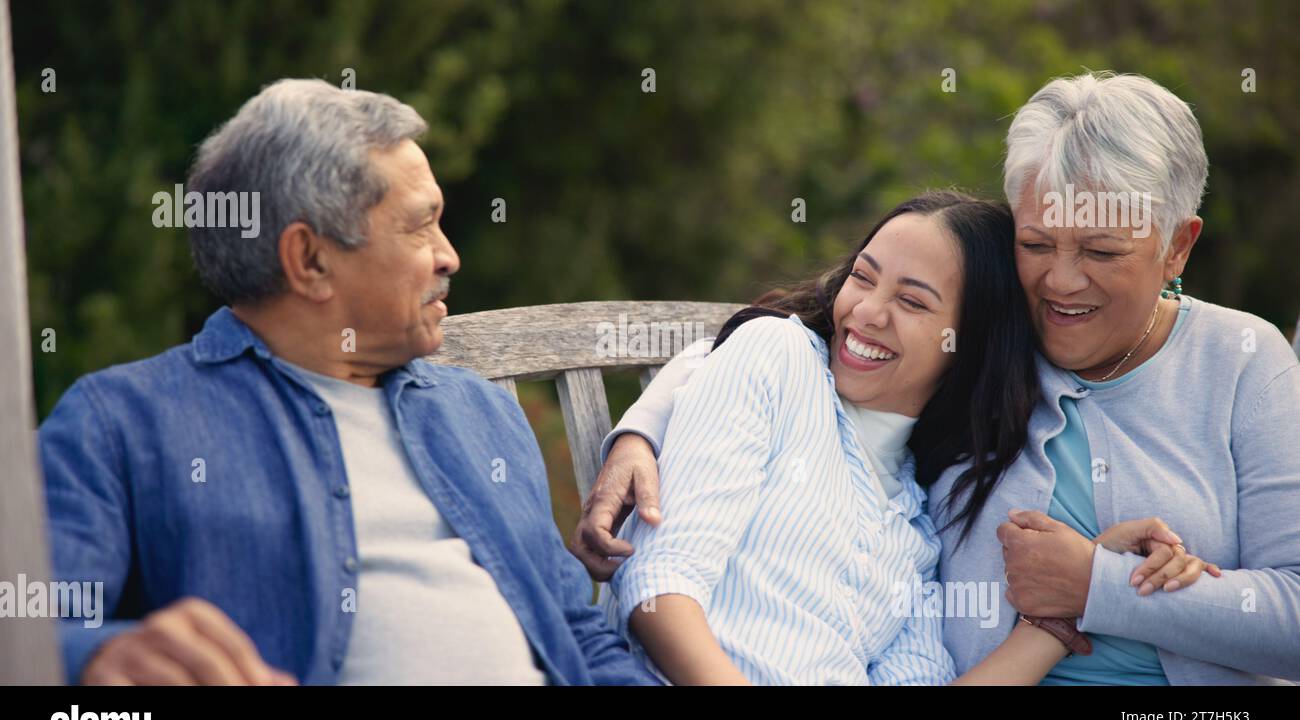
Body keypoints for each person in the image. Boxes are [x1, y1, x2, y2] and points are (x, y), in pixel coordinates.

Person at [575, 72, 1300, 685]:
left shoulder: (1240, 359)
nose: (1061, 280)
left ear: (1178, 245)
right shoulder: (994, 337)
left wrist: (1095, 588)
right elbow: (791, 335)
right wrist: (641, 429)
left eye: (1102, 251)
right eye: (1036, 242)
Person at [42, 79, 658, 686]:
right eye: (421, 226)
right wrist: (99, 657)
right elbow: (31, 629)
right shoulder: (120, 423)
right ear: (310, 261)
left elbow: (576, 632)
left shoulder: (480, 412)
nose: (450, 257)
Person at [600, 191, 1214, 685]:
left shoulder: (914, 526)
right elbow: (659, 587)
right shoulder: (778, 359)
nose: (867, 312)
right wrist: (636, 433)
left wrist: (1063, 609)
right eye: (862, 278)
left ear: (966, 346)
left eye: (912, 303)